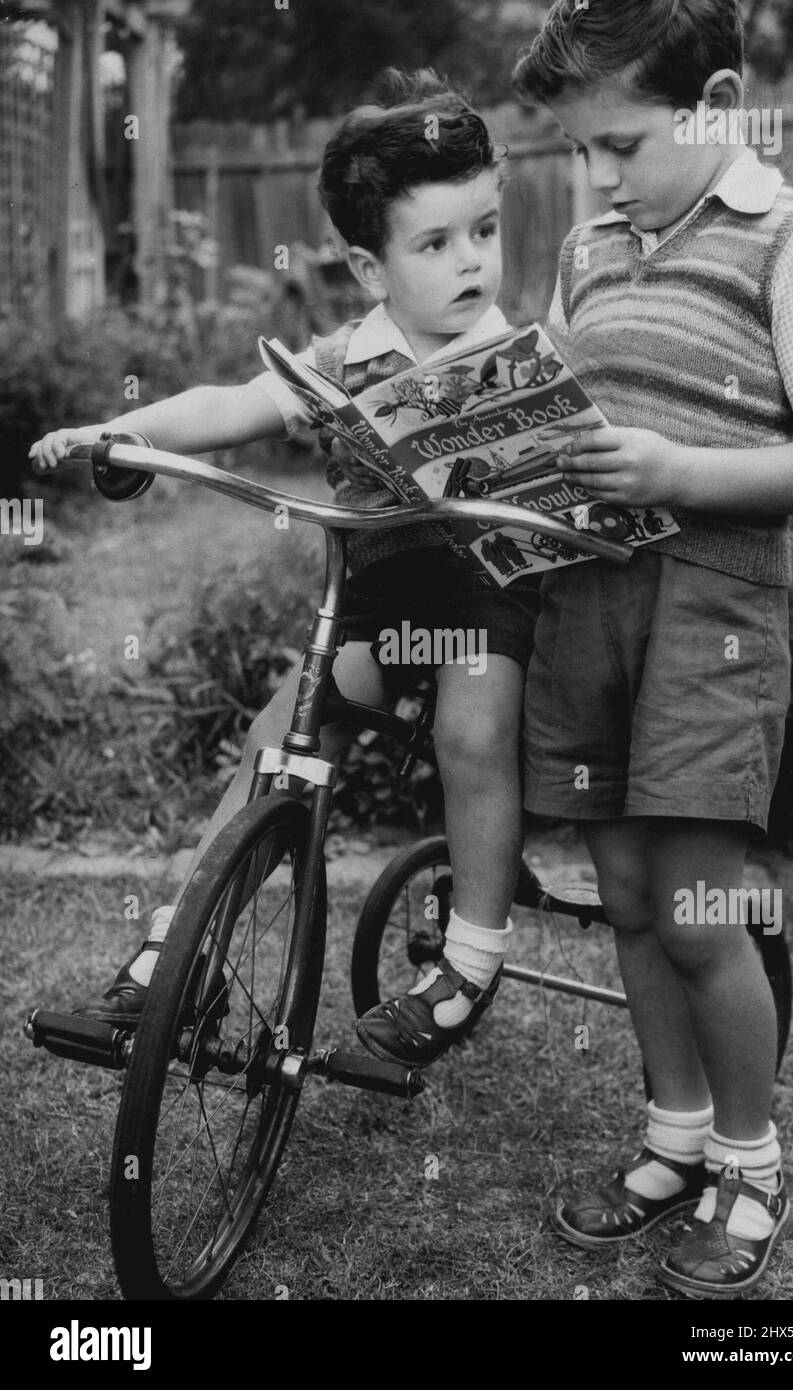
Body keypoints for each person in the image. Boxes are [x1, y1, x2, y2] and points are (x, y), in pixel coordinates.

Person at [30, 70, 539, 1067]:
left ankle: (471, 960)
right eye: (435, 244)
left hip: (482, 592)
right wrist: (111, 429)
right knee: (281, 744)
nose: (471, 261)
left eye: (484, 230)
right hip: (376, 601)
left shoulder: (519, 357)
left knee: (474, 732)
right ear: (368, 264)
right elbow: (227, 404)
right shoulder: (348, 360)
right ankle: (176, 956)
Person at [511, 0, 793, 1297]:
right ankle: (668, 1142)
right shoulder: (595, 243)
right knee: (621, 895)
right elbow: (549, 389)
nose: (596, 178)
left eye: (618, 145)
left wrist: (676, 467)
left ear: (716, 98)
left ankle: (750, 1161)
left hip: (709, 605)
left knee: (698, 903)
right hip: (585, 601)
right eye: (579, 154)